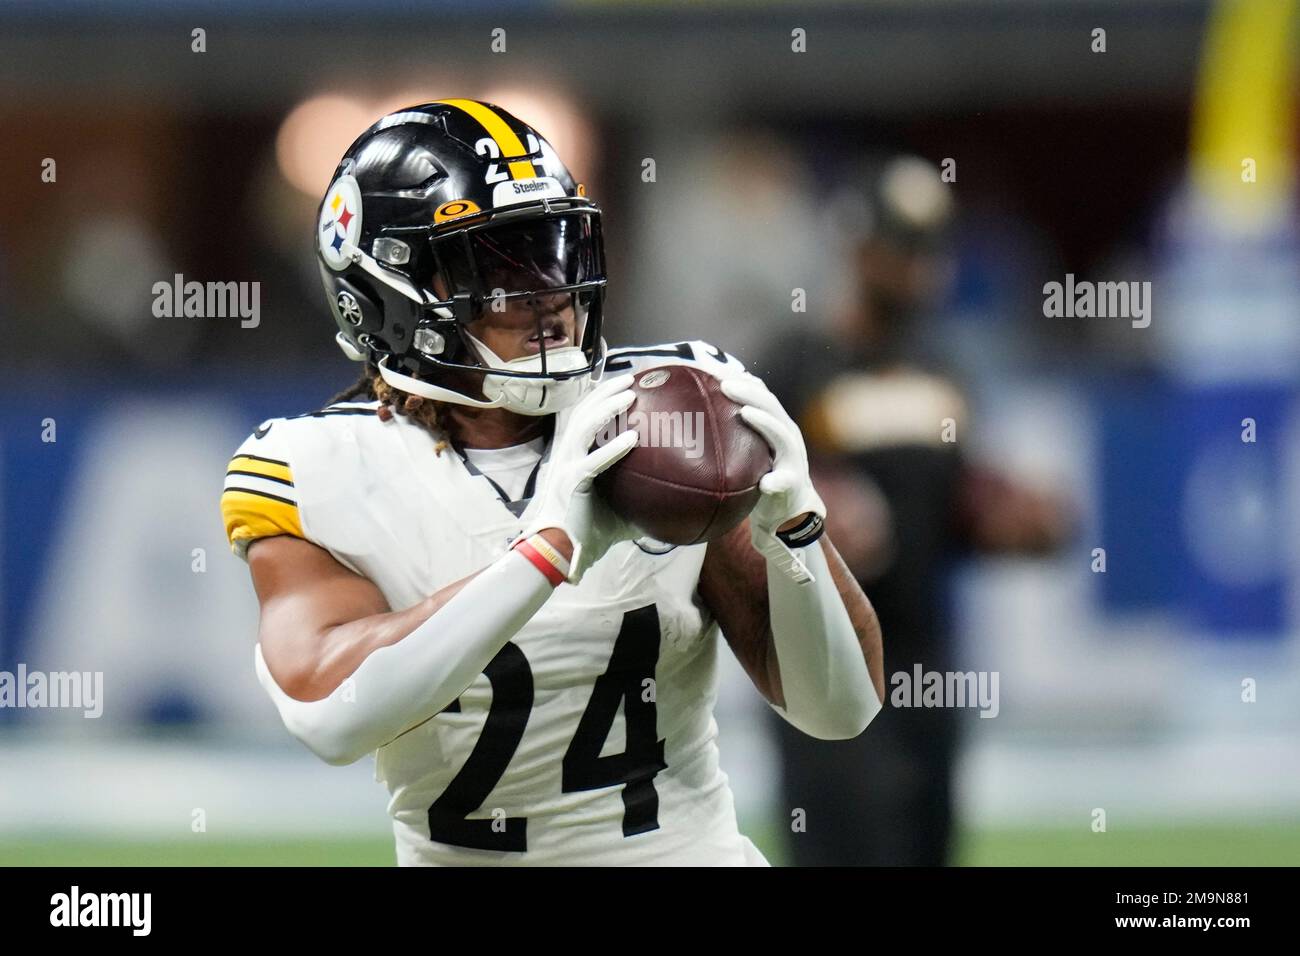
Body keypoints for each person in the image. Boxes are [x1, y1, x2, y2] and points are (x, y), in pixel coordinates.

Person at [220, 100, 885, 866]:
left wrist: (797, 533)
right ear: (392, 296)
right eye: (496, 265)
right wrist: (541, 556)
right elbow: (329, 716)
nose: (549, 294)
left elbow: (841, 711)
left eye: (555, 250)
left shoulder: (664, 415)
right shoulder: (320, 466)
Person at [758, 156, 1069, 866]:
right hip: (826, 666)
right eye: (903, 248)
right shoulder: (795, 364)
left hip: (927, 667)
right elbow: (736, 509)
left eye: (931, 248)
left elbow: (957, 512)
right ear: (858, 247)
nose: (921, 268)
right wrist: (811, 529)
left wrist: (1010, 525)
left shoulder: (942, 370)